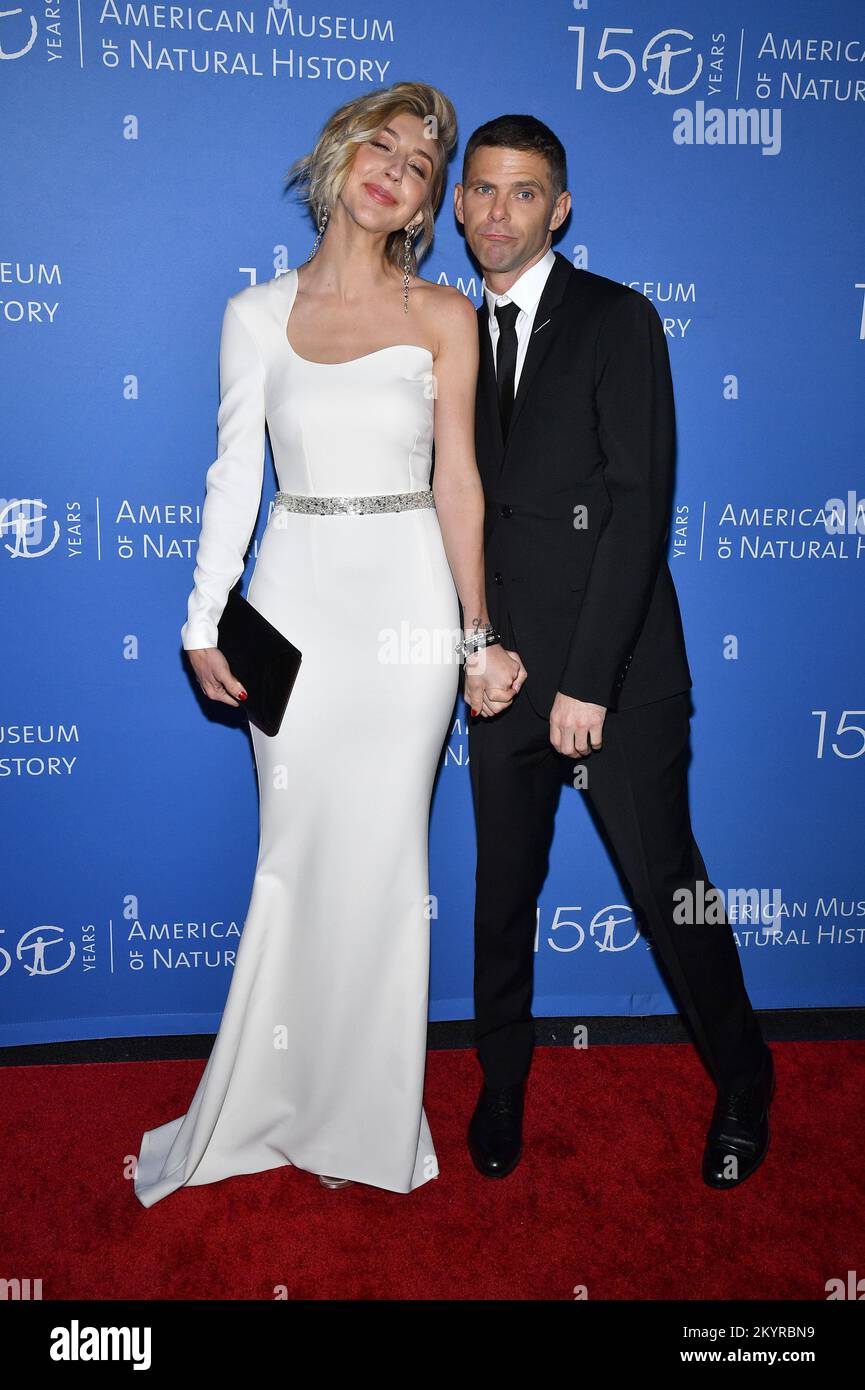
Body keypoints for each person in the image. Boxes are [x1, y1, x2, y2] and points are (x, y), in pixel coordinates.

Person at [133, 82, 523, 1206]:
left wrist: (473, 635)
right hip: (294, 604)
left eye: (418, 161)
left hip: (404, 612)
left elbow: (459, 486)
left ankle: (360, 1117)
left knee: (387, 862)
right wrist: (202, 618)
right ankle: (271, 1099)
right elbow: (230, 478)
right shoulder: (255, 313)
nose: (393, 166)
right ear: (340, 154)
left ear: (423, 204)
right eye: (380, 142)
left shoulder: (444, 315)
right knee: (295, 857)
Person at [455, 114, 775, 1191]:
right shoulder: (452, 334)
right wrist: (477, 650)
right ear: (458, 203)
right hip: (498, 680)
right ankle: (501, 1083)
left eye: (524, 192)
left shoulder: (615, 319)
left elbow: (641, 507)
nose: (500, 212)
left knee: (668, 893)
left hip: (618, 678)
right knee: (501, 897)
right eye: (484, 190)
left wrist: (586, 681)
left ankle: (743, 1078)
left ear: (561, 207)